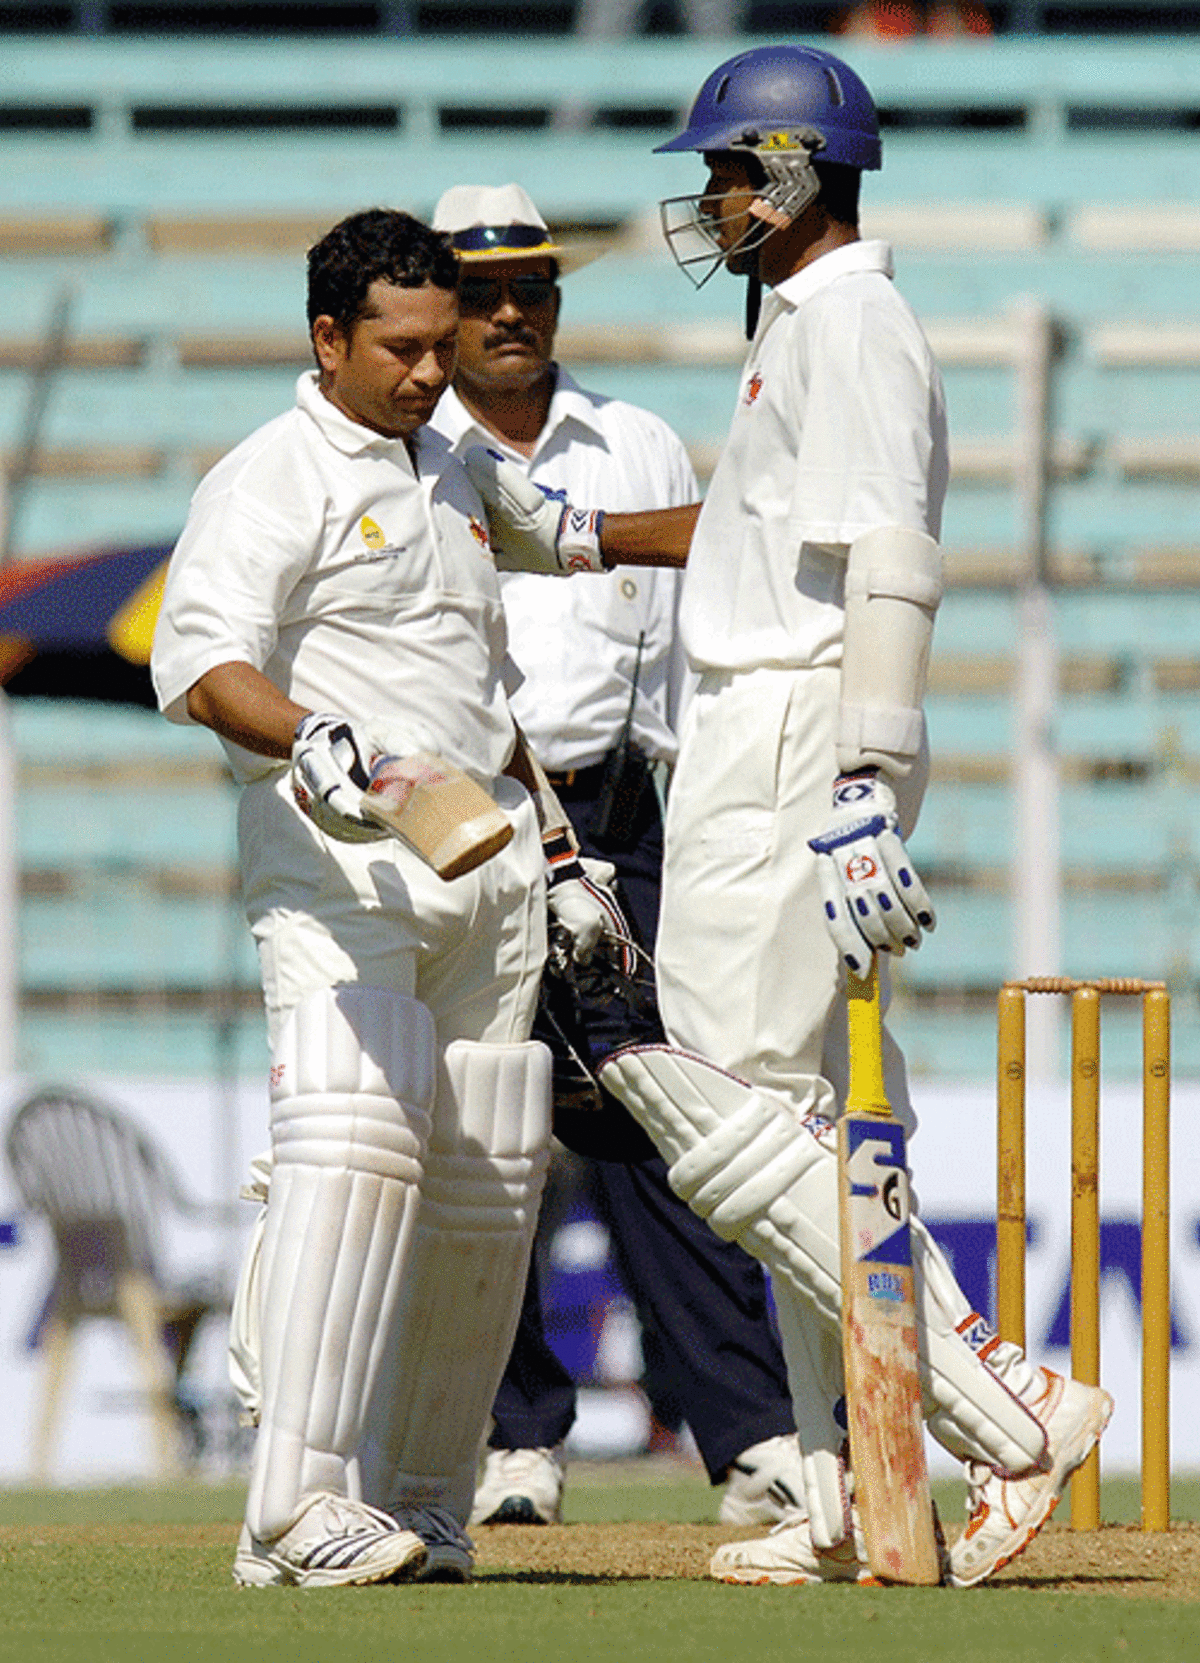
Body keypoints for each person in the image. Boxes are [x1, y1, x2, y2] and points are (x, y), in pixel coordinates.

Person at [464, 45, 1112, 1588]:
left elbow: (891, 554)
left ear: (797, 170)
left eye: (726, 174)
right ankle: (845, 1483)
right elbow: (763, 522)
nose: (712, 204)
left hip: (799, 736)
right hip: (759, 733)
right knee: (800, 1124)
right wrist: (577, 539)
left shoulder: (859, 325)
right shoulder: (803, 329)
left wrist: (867, 780)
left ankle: (1008, 1406)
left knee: (722, 1120)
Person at [149, 208, 629, 1588]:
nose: (432, 371)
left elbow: (486, 685)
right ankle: (290, 1507)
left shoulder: (453, 471)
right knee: (353, 1155)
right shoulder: (269, 476)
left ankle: (421, 1500)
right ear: (329, 339)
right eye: (404, 349)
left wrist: (555, 849)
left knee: (487, 1171)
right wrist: (309, 734)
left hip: (485, 872)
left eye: (441, 346)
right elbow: (202, 664)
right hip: (344, 868)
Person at [429, 182, 806, 1531]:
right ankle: (510, 1438)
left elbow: (687, 643)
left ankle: (749, 1430)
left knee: (664, 1122)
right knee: (488, 1130)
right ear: (440, 306)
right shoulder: (416, 453)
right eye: (482, 292)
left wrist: (695, 811)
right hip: (468, 826)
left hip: (618, 812)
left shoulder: (635, 439)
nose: (513, 310)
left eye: (532, 284)